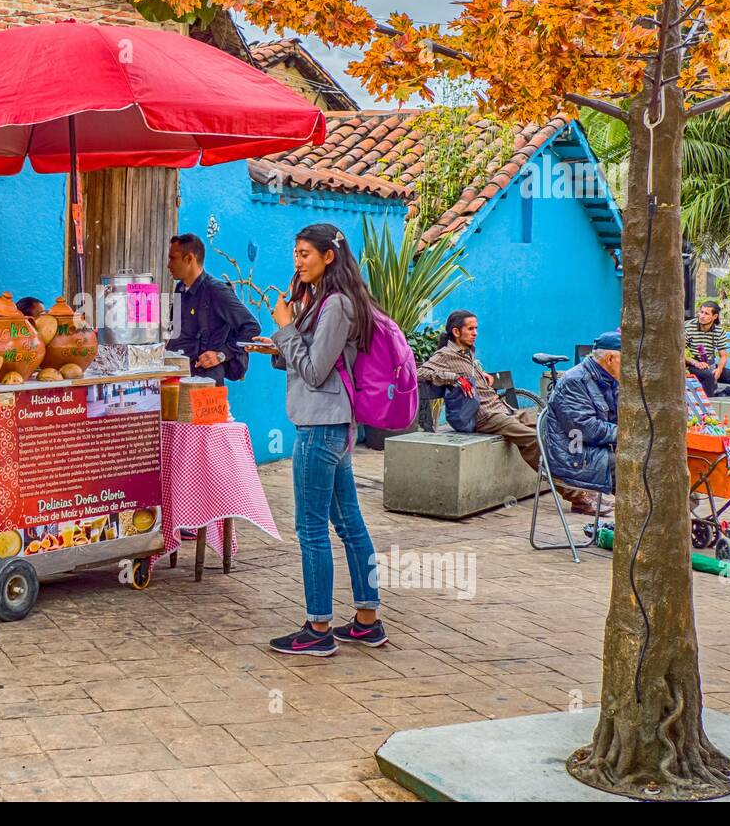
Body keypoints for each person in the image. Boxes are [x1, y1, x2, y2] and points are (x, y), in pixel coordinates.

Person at [248, 223, 386, 656]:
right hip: (331, 424)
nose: (297, 260)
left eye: (306, 253)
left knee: (311, 529)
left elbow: (314, 371)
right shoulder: (327, 302)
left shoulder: (338, 306)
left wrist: (285, 327)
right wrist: (278, 345)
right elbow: (309, 361)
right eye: (295, 252)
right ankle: (367, 621)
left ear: (329, 256)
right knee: (348, 524)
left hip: (320, 427)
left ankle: (318, 628)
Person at [417, 310, 601, 514]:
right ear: (456, 331)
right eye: (471, 328)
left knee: (550, 429)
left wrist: (481, 375)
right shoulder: (445, 355)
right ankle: (578, 499)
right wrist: (453, 378)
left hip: (503, 409)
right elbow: (420, 372)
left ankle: (582, 486)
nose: (475, 332)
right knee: (533, 439)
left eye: (476, 328)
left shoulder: (467, 352)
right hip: (484, 416)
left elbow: (468, 371)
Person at [165, 233, 260, 386]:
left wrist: (222, 354)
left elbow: (251, 327)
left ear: (189, 259)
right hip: (179, 379)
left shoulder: (216, 291)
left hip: (206, 385)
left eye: (173, 258)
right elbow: (175, 333)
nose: (169, 265)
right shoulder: (180, 289)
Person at [543, 331, 621, 495]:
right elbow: (588, 429)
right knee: (639, 469)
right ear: (610, 359)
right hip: (574, 457)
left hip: (597, 450)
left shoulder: (609, 379)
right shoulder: (574, 381)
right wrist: (629, 434)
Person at [685, 301, 730, 397]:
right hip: (692, 365)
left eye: (706, 313)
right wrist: (695, 363)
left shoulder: (719, 331)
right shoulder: (689, 327)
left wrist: (719, 369)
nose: (702, 316)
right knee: (708, 376)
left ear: (714, 316)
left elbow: (723, 355)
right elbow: (679, 353)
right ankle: (709, 406)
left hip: (709, 365)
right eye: (701, 312)